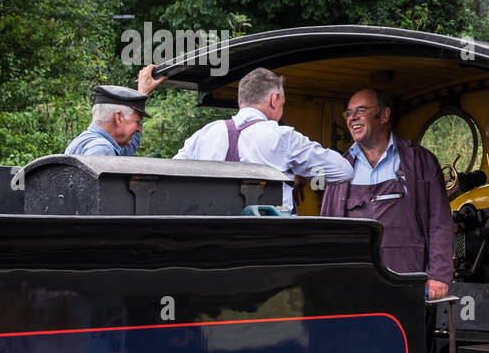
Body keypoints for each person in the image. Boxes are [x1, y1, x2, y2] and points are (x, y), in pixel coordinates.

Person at [319, 88, 454, 298]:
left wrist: (438, 274)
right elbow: (326, 228)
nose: (352, 117)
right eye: (348, 113)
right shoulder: (339, 167)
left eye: (360, 110)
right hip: (352, 282)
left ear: (384, 115)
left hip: (407, 281)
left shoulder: (421, 161)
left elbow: (440, 221)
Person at [174, 67, 352, 210]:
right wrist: (303, 171)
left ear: (241, 100)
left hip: (213, 241)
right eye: (283, 104)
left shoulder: (204, 134)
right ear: (275, 100)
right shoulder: (284, 137)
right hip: (267, 242)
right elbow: (343, 171)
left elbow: (172, 177)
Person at [64, 65, 165, 157]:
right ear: (118, 117)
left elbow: (126, 151)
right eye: (137, 122)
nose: (139, 129)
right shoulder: (101, 149)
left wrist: (142, 93)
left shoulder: (83, 141)